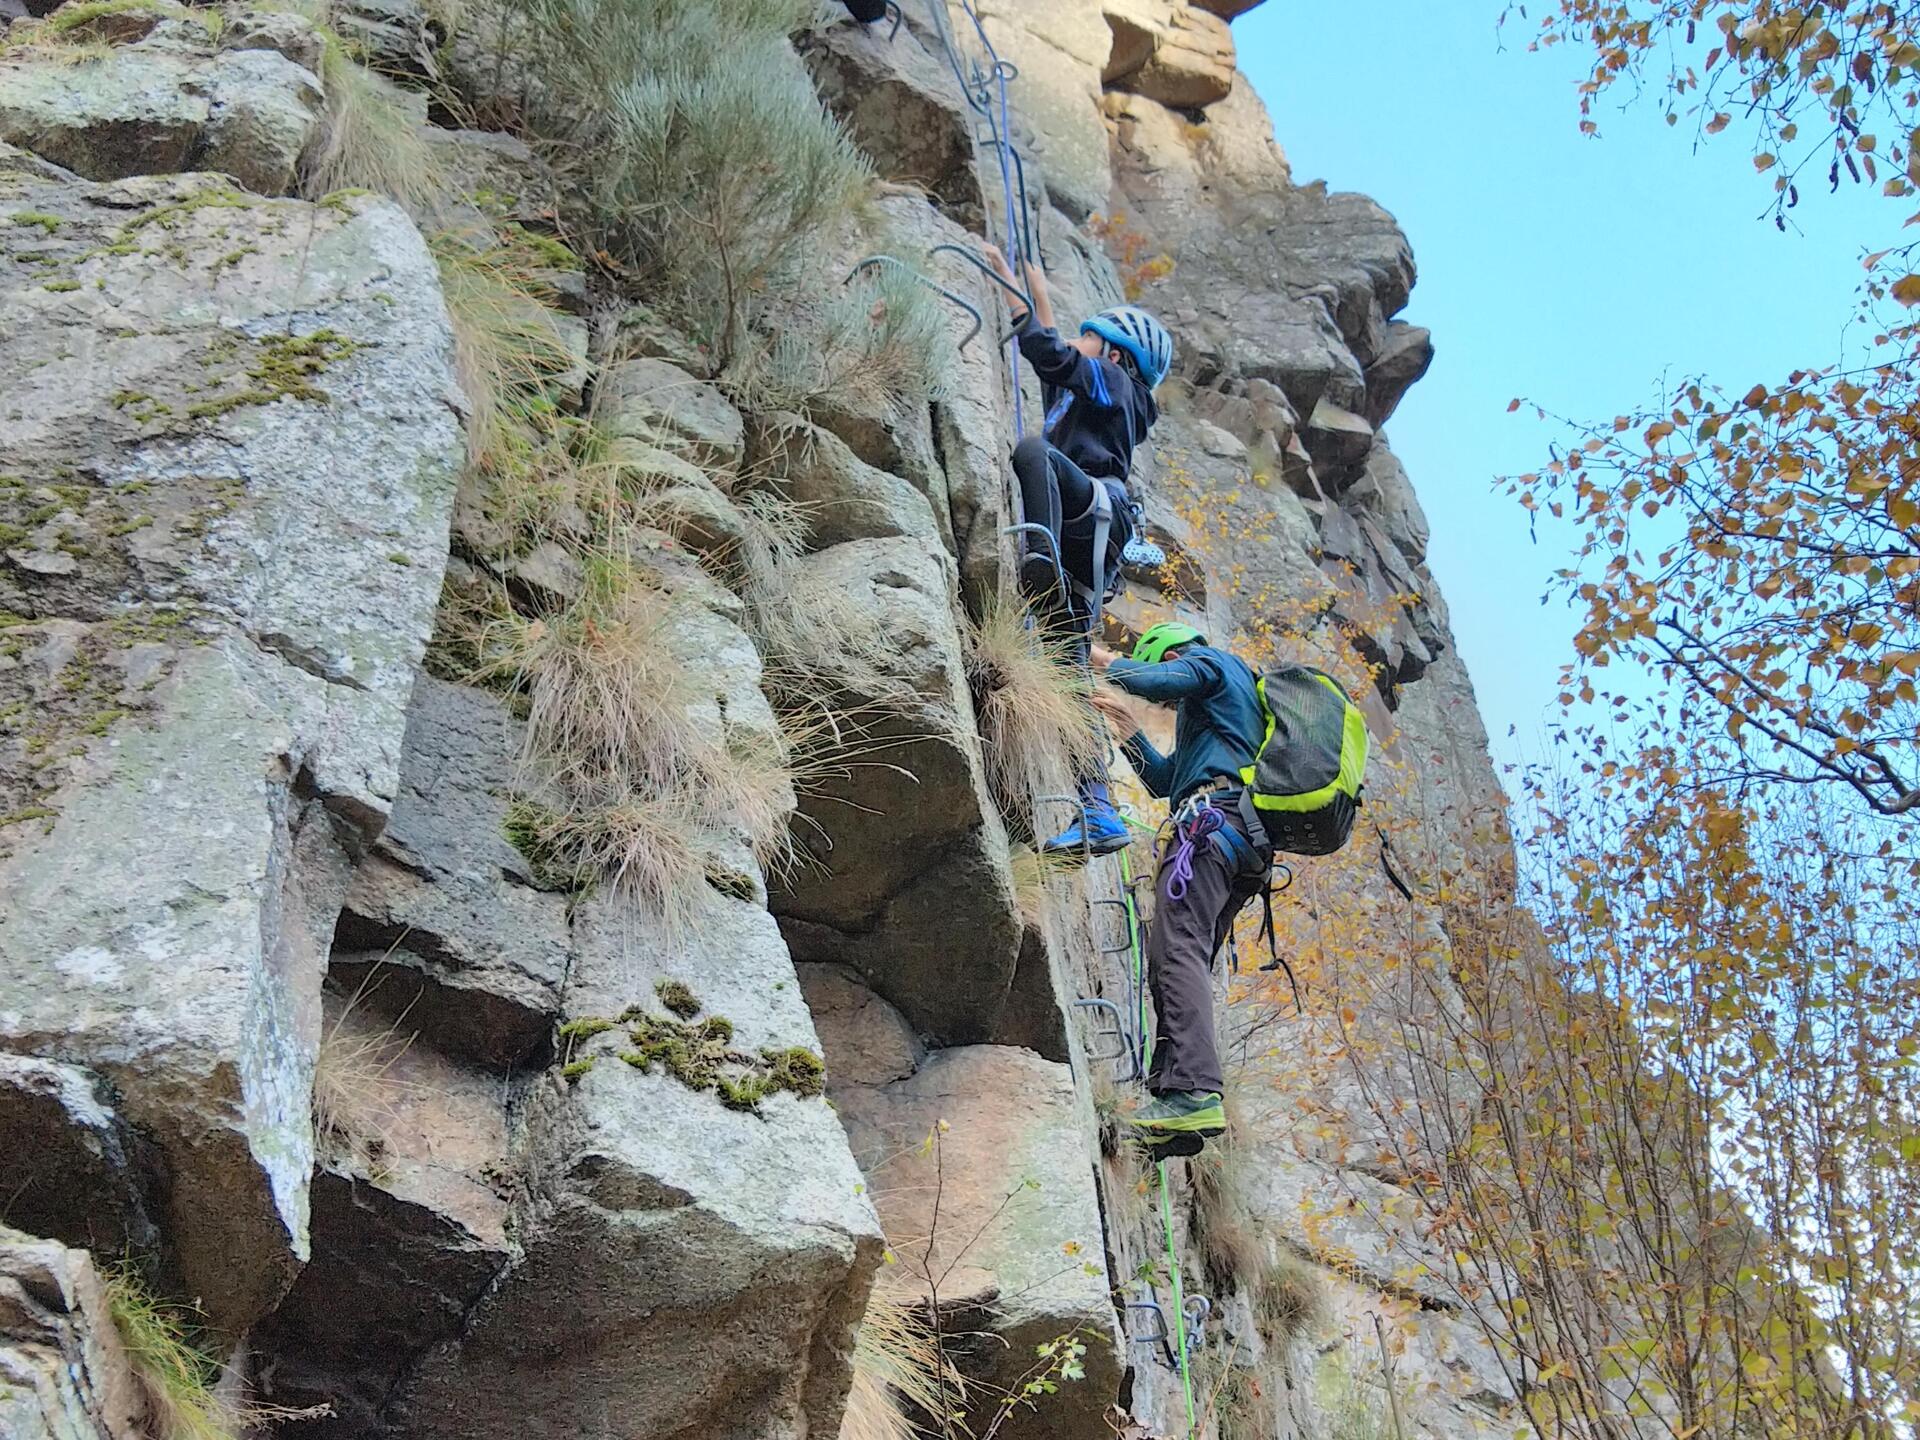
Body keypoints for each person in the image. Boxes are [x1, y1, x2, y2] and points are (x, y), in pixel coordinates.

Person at [984, 243, 1173, 861]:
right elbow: (1055, 364)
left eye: (1091, 338)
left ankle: (1039, 556)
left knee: (1032, 451)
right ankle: (1097, 807)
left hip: (1092, 508)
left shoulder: (1116, 382)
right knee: (1067, 668)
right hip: (1090, 527)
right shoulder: (1096, 395)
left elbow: (1052, 354)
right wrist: (1029, 292)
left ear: (1116, 354)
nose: (1079, 343)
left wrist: (1027, 304)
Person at [1088, 622, 1271, 1150]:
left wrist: (1099, 659)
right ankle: (1173, 1094)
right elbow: (1167, 782)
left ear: (1170, 653)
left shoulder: (1214, 663)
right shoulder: (1222, 714)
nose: (1173, 705)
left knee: (1177, 951)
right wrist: (1129, 732)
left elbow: (1162, 682)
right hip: (1240, 839)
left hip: (1212, 827)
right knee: (1178, 956)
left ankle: (1193, 1092)